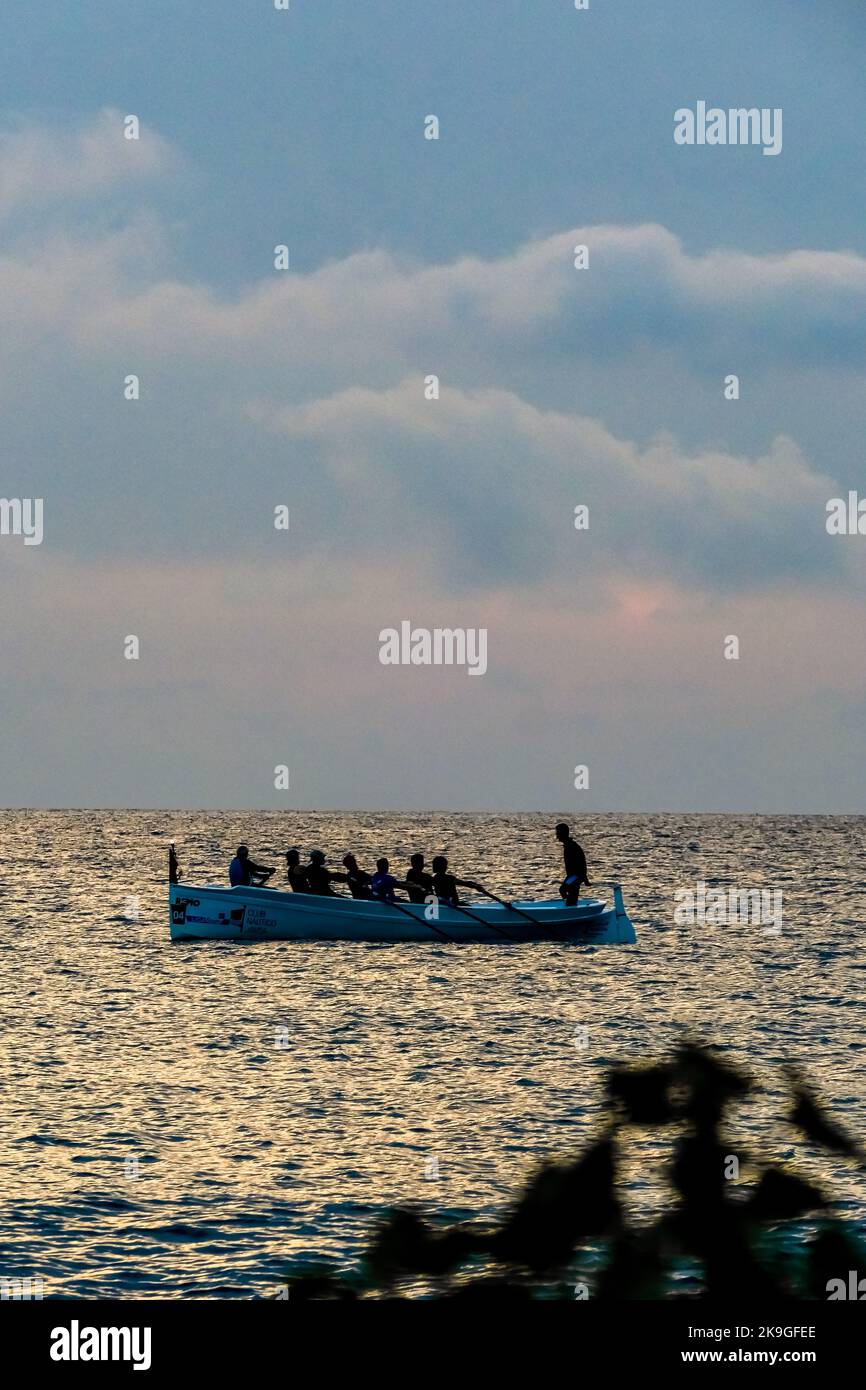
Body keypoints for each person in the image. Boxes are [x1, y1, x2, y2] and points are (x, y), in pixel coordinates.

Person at [555, 822, 589, 906]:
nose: (556, 835)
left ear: (563, 833)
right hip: (573, 876)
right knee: (569, 891)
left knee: (564, 889)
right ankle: (569, 905)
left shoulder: (571, 846)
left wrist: (584, 878)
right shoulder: (569, 845)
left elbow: (581, 863)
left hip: (575, 876)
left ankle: (569, 907)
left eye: (558, 833)